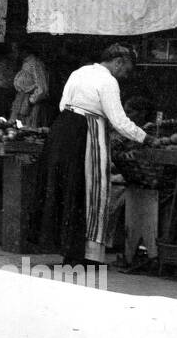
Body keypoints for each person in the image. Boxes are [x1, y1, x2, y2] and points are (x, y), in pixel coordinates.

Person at [37, 44, 148, 265]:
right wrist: (145, 137)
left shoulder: (79, 72)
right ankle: (88, 256)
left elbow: (62, 104)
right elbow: (118, 120)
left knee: (68, 191)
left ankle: (70, 252)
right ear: (118, 62)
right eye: (126, 69)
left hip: (62, 130)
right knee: (92, 191)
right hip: (86, 133)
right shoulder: (108, 81)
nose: (126, 75)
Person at [10, 46, 51, 128]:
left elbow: (42, 87)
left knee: (30, 128)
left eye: (15, 50)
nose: (14, 54)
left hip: (31, 103)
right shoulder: (26, 63)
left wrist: (31, 100)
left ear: (24, 51)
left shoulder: (35, 64)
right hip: (22, 99)